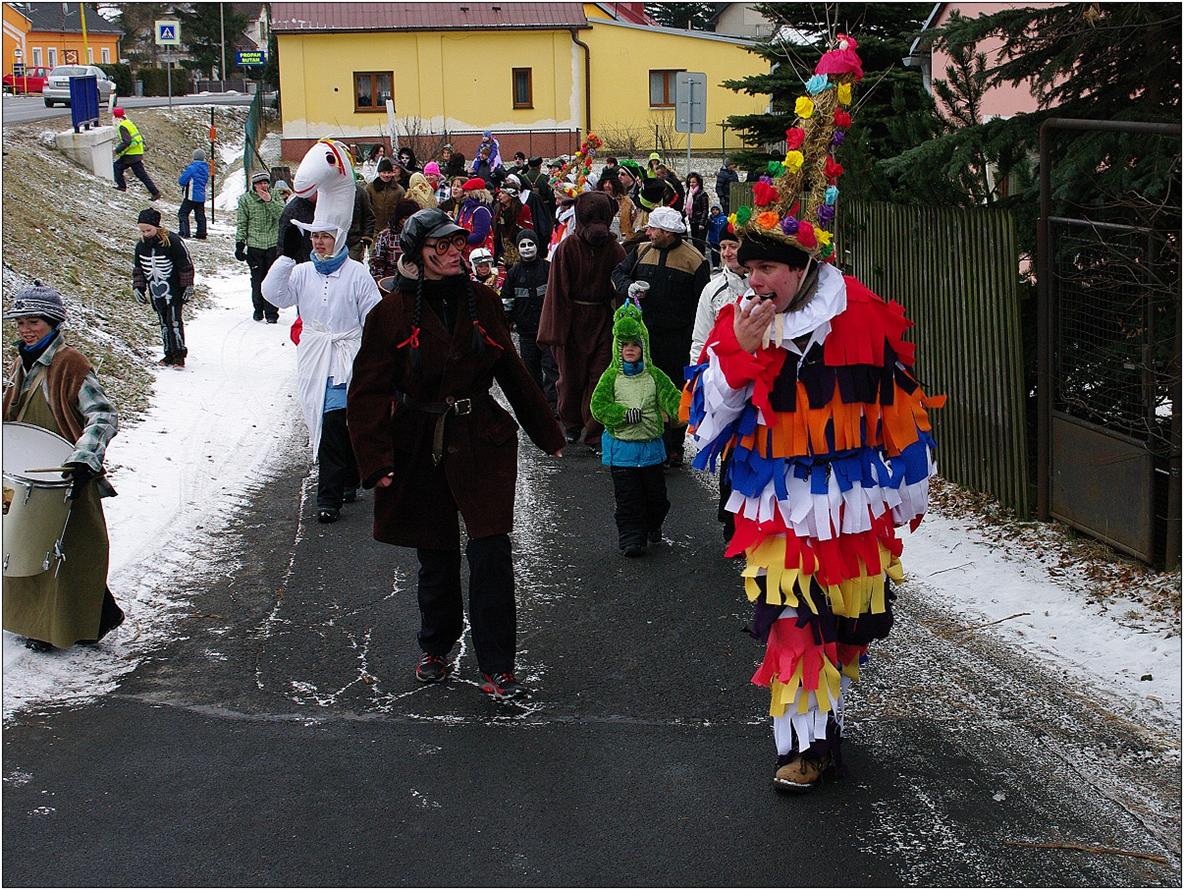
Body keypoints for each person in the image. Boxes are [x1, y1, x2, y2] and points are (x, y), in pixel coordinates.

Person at [683, 33, 944, 792]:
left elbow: (899, 404)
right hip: (775, 505)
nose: (754, 281)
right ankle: (802, 748)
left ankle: (825, 725)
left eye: (767, 269)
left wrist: (909, 486)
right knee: (791, 625)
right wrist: (744, 354)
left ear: (804, 267)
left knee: (842, 628)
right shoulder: (741, 319)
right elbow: (708, 426)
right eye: (748, 266)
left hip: (852, 503)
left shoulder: (858, 312)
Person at [346, 208, 566, 699]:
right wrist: (376, 459)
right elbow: (366, 391)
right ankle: (436, 646)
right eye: (440, 246)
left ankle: (497, 665)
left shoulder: (483, 301)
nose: (453, 253)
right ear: (417, 253)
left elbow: (512, 371)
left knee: (491, 549)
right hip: (418, 438)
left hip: (479, 434)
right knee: (435, 549)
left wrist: (547, 432)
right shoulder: (390, 313)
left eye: (456, 244)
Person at [2, 281, 124, 652]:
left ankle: (69, 623)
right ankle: (73, 619)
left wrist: (84, 458)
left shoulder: (69, 363)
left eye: (33, 321)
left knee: (72, 550)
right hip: (26, 475)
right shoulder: (20, 362)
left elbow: (103, 414)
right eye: (20, 321)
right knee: (28, 545)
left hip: (67, 476)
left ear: (53, 322)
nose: (25, 328)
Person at [262, 212, 381, 524]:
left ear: (338, 239)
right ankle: (349, 477)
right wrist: (286, 257)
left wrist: (372, 356)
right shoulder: (301, 273)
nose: (320, 242)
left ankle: (327, 497)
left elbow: (374, 315)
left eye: (326, 236)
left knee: (335, 422)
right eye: (315, 237)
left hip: (347, 356)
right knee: (330, 420)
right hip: (315, 357)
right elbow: (273, 295)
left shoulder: (357, 274)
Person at [611, 205, 709, 467]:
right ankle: (651, 442)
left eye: (653, 228)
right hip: (645, 337)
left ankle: (674, 446)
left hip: (677, 339)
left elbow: (701, 305)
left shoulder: (695, 260)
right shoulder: (642, 250)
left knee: (674, 392)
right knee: (646, 390)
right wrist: (628, 288)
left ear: (668, 232)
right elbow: (618, 273)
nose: (648, 232)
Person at [590, 299, 682, 557]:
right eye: (625, 345)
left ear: (644, 347)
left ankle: (653, 525)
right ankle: (632, 537)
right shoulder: (611, 377)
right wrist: (621, 415)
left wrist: (689, 412)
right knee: (629, 500)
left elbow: (673, 399)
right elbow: (598, 407)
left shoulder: (655, 376)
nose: (630, 350)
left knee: (657, 499)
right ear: (617, 347)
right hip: (622, 451)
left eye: (635, 345)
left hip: (651, 449)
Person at [537, 191, 626, 447]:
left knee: (600, 375)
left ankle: (595, 426)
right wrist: (555, 330)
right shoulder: (568, 248)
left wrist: (623, 323)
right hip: (573, 321)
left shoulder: (614, 249)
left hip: (602, 318)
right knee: (571, 377)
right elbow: (557, 291)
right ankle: (572, 423)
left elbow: (620, 286)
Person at [689, 222, 747, 543]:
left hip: (758, 385)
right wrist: (699, 384)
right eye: (723, 246)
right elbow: (700, 340)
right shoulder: (713, 290)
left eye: (733, 246)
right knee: (731, 452)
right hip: (723, 385)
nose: (727, 253)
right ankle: (731, 522)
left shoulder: (763, 285)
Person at [502, 228, 557, 412]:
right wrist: (506, 322)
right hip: (526, 333)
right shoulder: (513, 274)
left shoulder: (549, 269)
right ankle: (539, 406)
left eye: (530, 244)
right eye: (523, 245)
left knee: (551, 369)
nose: (527, 249)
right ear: (518, 249)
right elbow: (507, 301)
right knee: (531, 371)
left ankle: (553, 405)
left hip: (548, 330)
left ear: (537, 246)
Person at [133, 208, 193, 367]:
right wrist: (138, 287)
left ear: (156, 226)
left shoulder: (173, 241)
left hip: (173, 290)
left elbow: (185, 264)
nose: (146, 233)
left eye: (148, 230)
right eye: (143, 230)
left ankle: (179, 354)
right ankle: (168, 353)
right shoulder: (141, 246)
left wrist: (187, 285)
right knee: (163, 323)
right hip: (156, 291)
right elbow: (139, 269)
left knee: (173, 321)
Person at [235, 172, 285, 323]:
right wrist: (240, 244)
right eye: (260, 183)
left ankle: (272, 313)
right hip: (255, 245)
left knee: (272, 279)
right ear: (254, 185)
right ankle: (258, 309)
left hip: (272, 244)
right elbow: (242, 222)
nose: (264, 186)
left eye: (266, 183)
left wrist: (269, 201)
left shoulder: (275, 196)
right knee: (257, 279)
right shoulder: (245, 199)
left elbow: (283, 215)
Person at [111, 107, 161, 199]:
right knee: (120, 167)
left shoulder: (122, 126)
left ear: (115, 117)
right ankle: (154, 192)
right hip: (135, 152)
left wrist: (117, 150)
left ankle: (155, 193)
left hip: (131, 155)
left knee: (138, 173)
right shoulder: (128, 123)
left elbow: (127, 141)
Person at [369, 198, 421, 281]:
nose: (409, 222)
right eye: (406, 218)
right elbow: (377, 261)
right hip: (390, 280)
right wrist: (379, 280)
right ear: (399, 218)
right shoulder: (386, 236)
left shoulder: (421, 236)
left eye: (413, 218)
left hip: (415, 280)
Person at [493, 178, 534, 267]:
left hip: (518, 246)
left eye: (503, 193)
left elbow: (527, 229)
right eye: (500, 192)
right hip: (502, 248)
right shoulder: (498, 209)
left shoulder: (522, 209)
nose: (499, 195)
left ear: (511, 195)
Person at [366, 157, 407, 236]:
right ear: (379, 173)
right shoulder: (370, 188)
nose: (386, 175)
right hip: (374, 229)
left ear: (392, 173)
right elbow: (366, 210)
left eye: (389, 172)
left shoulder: (399, 190)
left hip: (392, 230)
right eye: (384, 172)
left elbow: (403, 210)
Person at [457, 177, 494, 260]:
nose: (464, 193)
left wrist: (461, 239)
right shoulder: (465, 207)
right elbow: (457, 224)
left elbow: (479, 236)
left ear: (474, 192)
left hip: (478, 257)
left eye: (467, 191)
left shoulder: (481, 211)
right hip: (463, 253)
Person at [177, 148, 209, 239]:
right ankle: (201, 233)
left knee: (182, 213)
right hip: (201, 196)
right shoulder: (205, 169)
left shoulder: (192, 168)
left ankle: (184, 232)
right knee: (200, 215)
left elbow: (182, 181)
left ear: (194, 157)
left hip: (191, 195)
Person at [684, 171, 709, 254]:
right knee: (694, 243)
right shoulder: (689, 193)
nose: (691, 184)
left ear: (698, 182)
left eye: (694, 182)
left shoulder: (702, 194)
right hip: (692, 221)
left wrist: (702, 223)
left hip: (700, 222)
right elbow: (688, 207)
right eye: (690, 182)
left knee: (700, 244)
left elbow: (705, 209)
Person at [705, 205, 728, 270]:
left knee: (723, 252)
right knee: (714, 252)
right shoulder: (710, 219)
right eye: (713, 210)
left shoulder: (724, 218)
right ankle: (715, 265)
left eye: (716, 210)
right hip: (713, 239)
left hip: (722, 238)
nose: (715, 211)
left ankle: (724, 264)